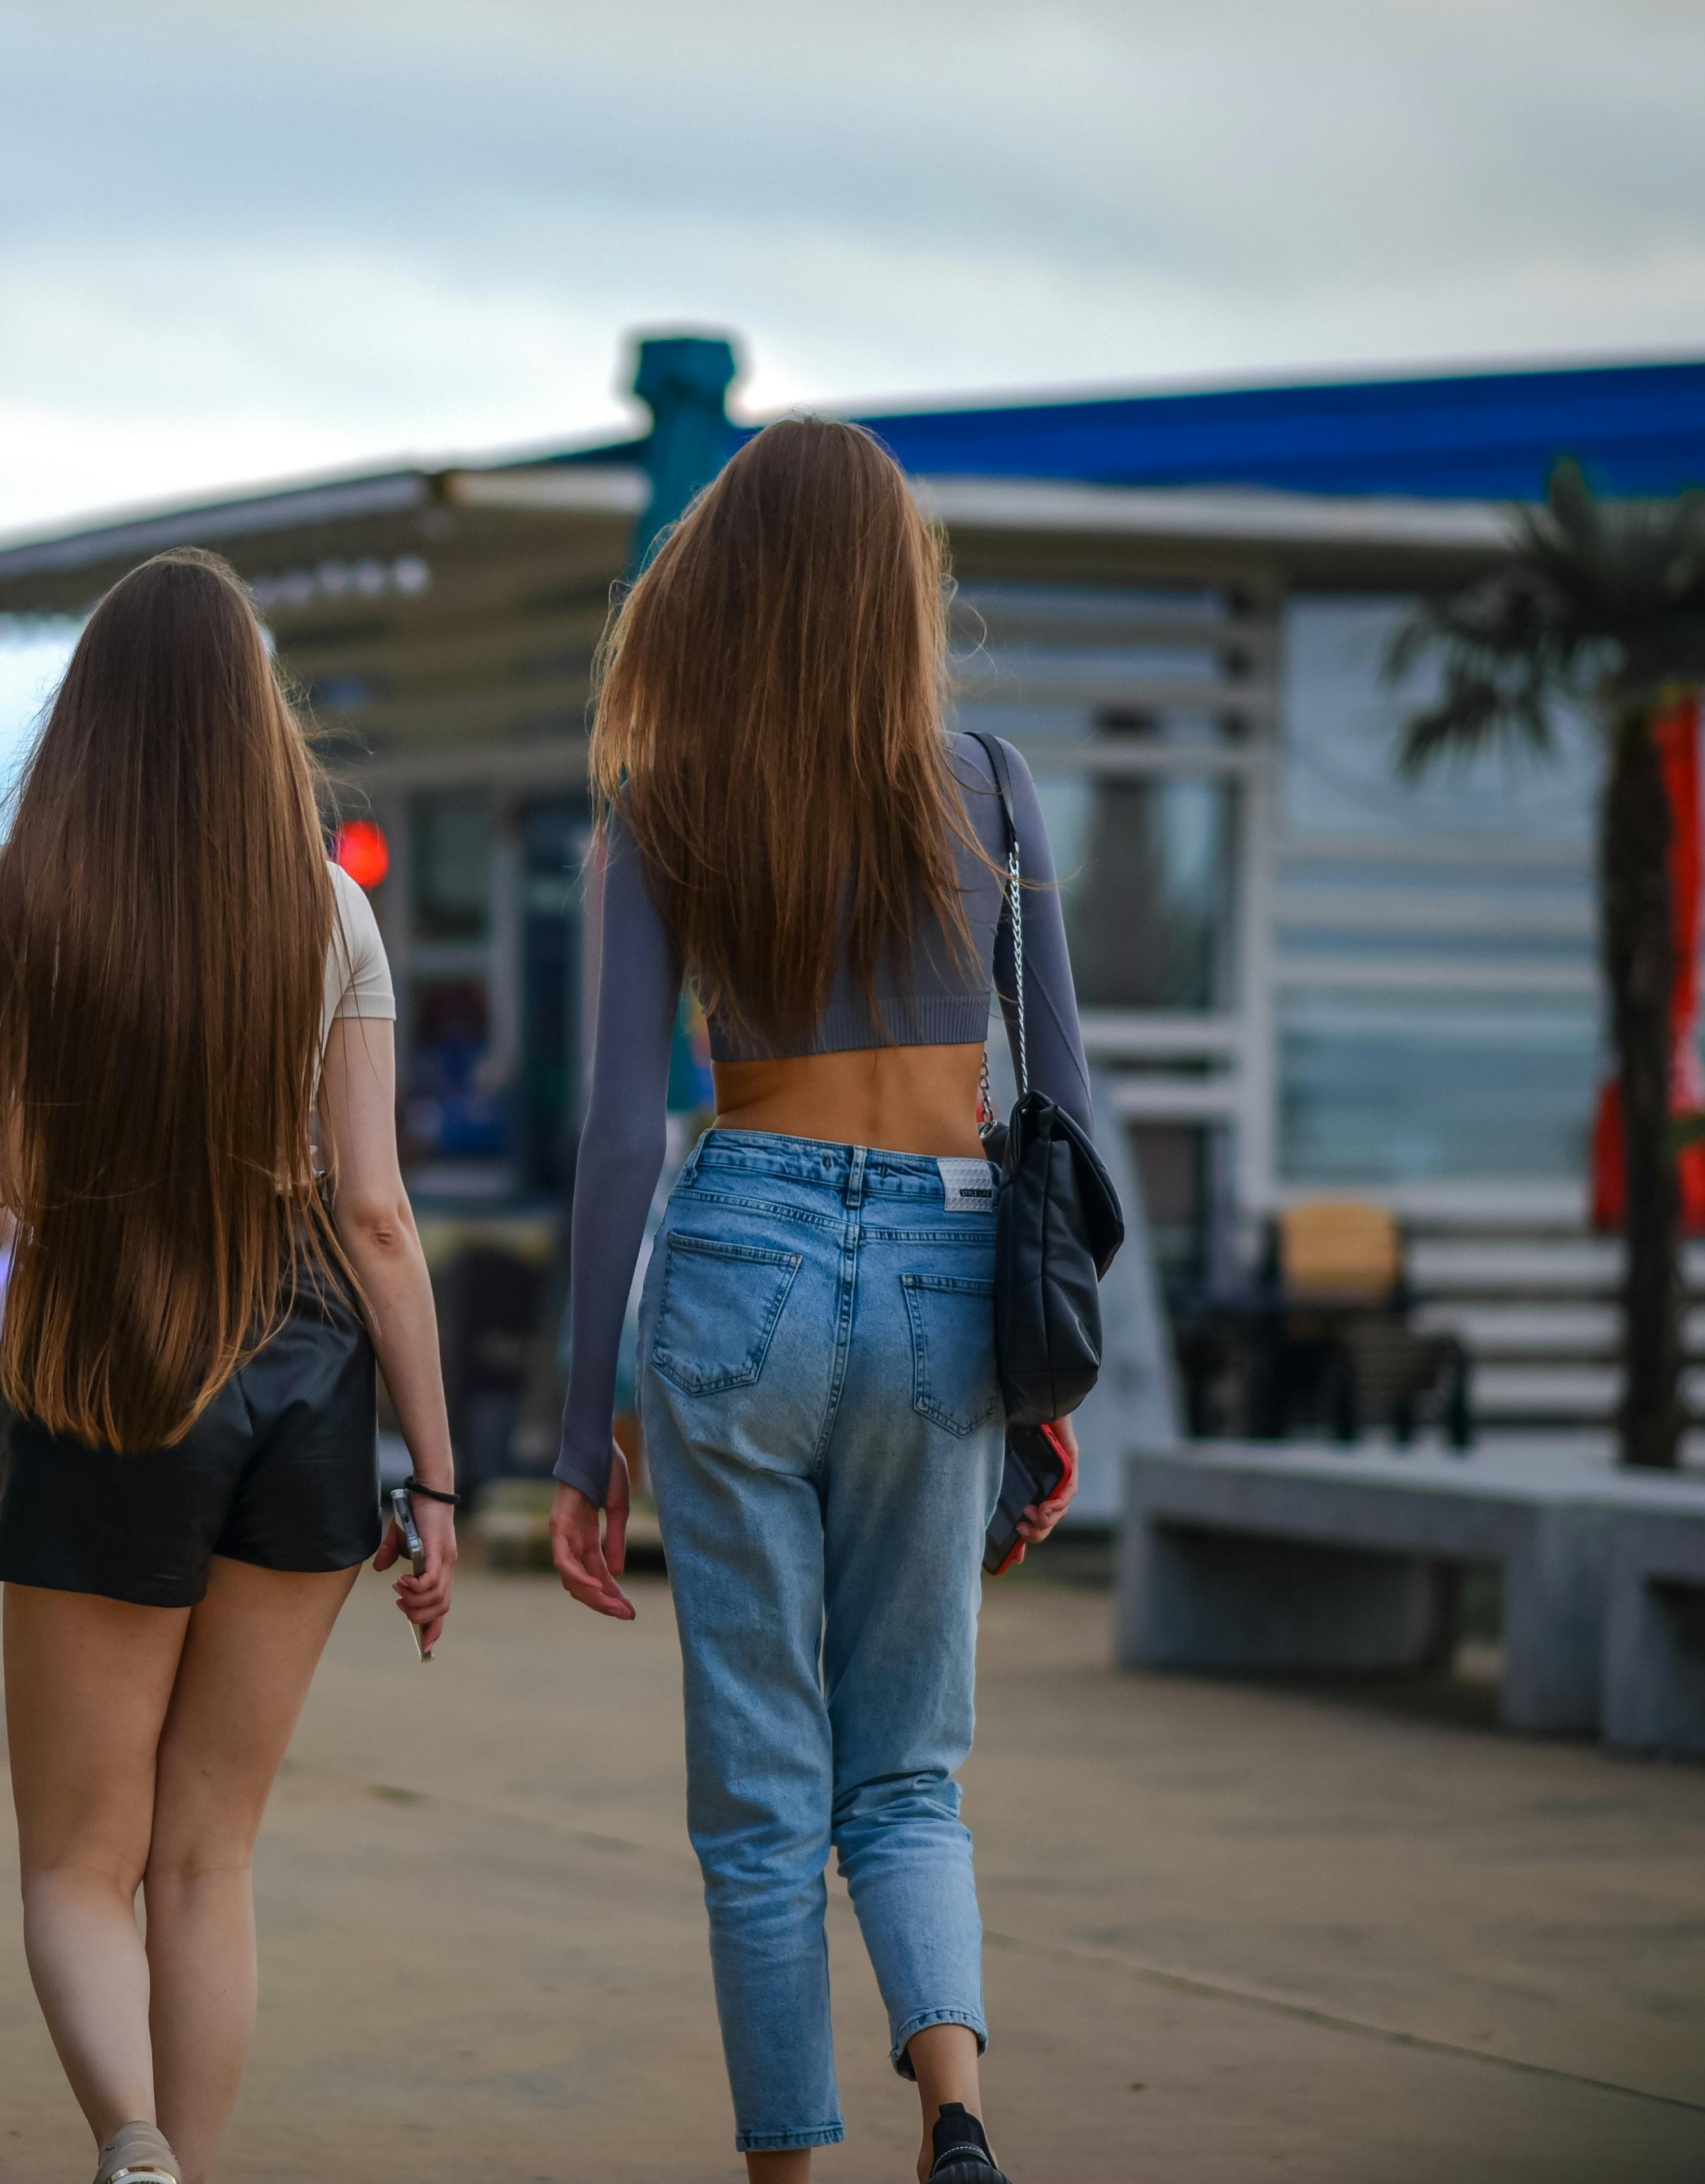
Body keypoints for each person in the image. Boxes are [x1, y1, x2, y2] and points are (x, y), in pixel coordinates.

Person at [547, 418, 1090, 2184]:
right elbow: (1063, 1113)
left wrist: (579, 1430)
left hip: (740, 1265)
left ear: (727, 587)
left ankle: (786, 2171)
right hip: (948, 1262)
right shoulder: (991, 787)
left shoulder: (665, 806)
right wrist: (1045, 1391)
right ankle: (955, 2110)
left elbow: (617, 1138)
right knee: (908, 1770)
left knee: (762, 1793)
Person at [0, 549, 455, 2184]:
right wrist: (435, 1477)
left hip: (101, 1355)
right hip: (306, 1373)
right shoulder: (327, 905)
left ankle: (133, 2143)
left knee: (80, 1861)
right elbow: (376, 1214)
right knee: (209, 1857)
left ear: (85, 715)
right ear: (253, 714)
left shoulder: (9, 898)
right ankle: (183, 2175)